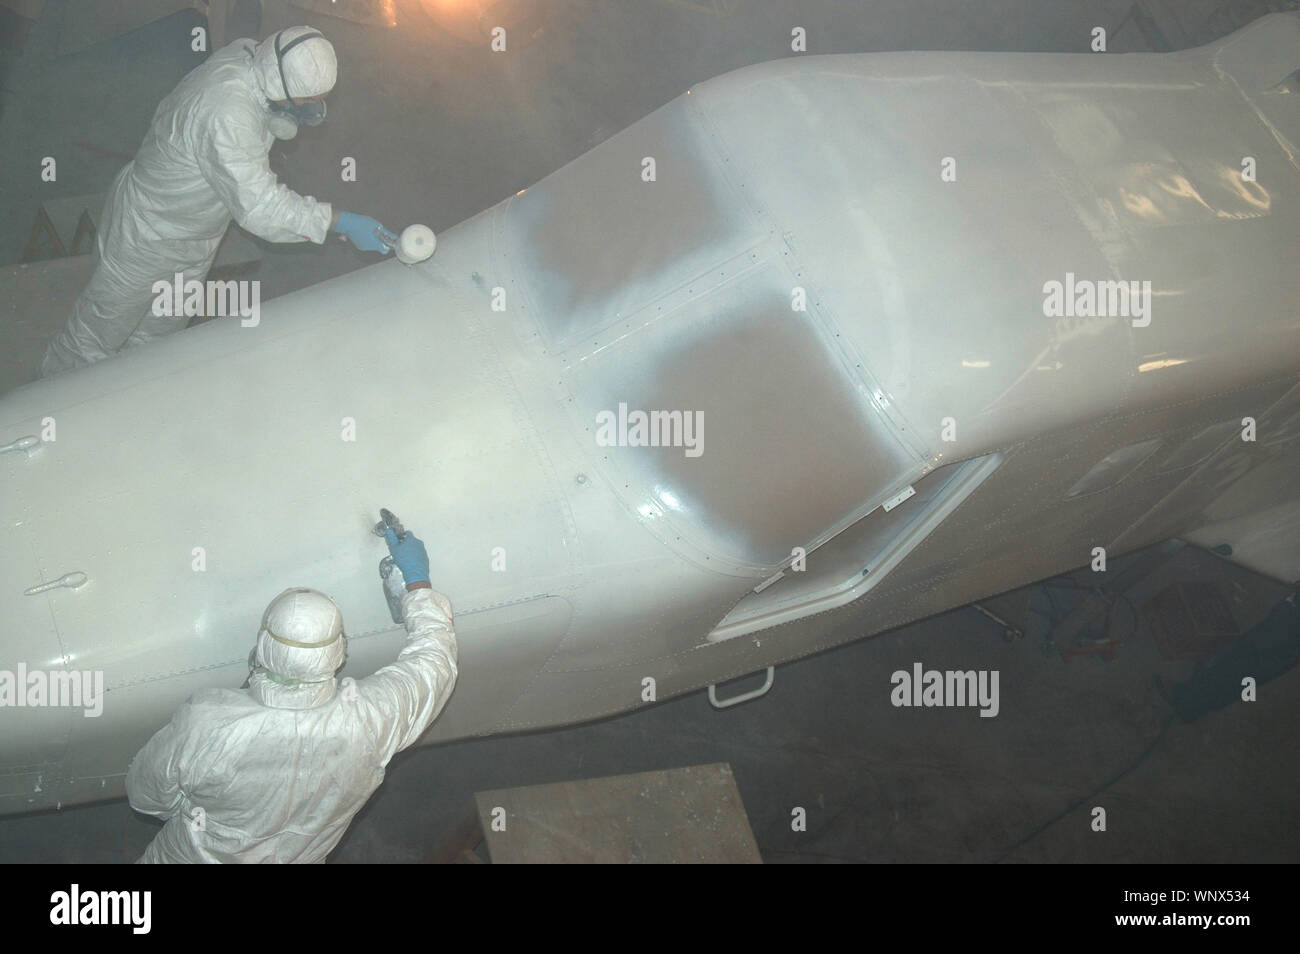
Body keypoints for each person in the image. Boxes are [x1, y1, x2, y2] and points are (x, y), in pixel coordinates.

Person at [40, 26, 396, 377]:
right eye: (304, 101)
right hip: (147, 235)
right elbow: (261, 208)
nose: (308, 109)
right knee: (92, 339)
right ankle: (46, 413)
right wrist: (336, 221)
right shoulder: (227, 114)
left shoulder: (247, 55)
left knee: (156, 337)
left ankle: (124, 393)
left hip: (194, 235)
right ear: (279, 84)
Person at [125, 527, 456, 863]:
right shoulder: (372, 719)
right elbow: (435, 664)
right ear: (339, 652)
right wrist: (417, 583)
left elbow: (146, 798)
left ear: (263, 646)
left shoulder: (207, 721)